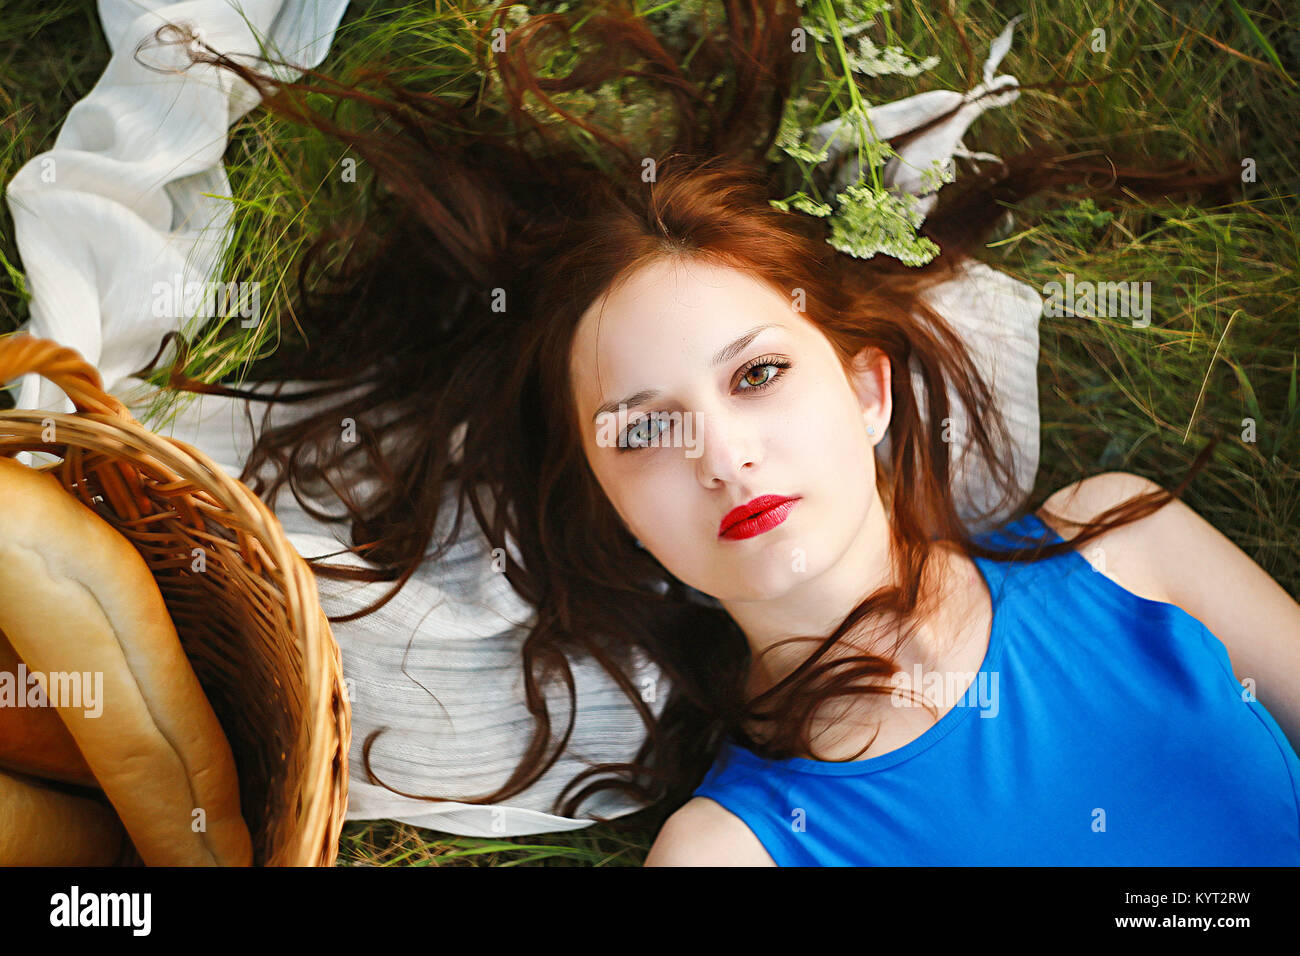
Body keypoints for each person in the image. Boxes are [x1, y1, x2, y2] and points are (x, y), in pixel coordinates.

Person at [18, 0, 1293, 859]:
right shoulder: (733, 845)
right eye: (640, 431)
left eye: (756, 375)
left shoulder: (1125, 546)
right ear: (608, 507)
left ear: (865, 387)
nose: (717, 454)